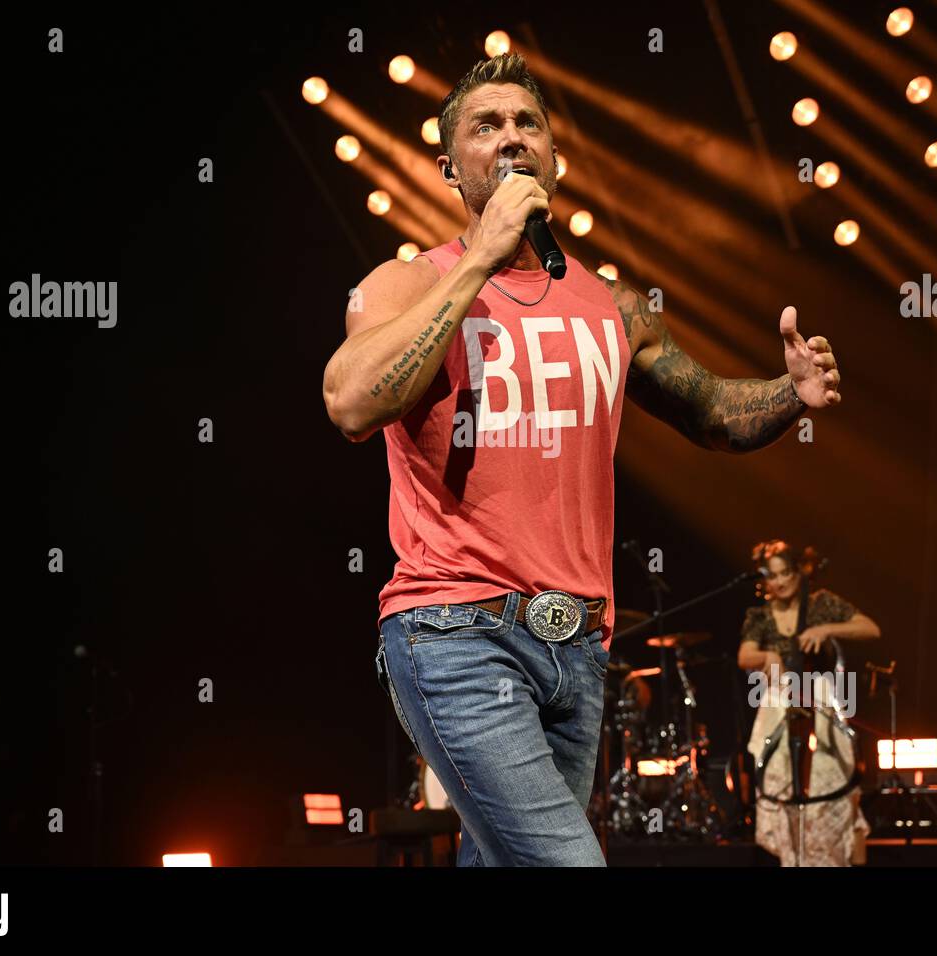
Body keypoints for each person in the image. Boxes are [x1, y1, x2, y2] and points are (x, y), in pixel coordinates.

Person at [322, 53, 843, 866]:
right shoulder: (403, 283)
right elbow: (353, 401)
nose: (512, 140)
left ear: (557, 162)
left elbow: (710, 414)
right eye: (485, 127)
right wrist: (480, 261)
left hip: (578, 651)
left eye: (529, 124)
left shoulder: (613, 305)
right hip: (456, 632)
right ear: (450, 167)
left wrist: (790, 392)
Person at [737, 540, 881, 866]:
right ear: (764, 581)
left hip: (818, 700)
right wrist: (768, 654)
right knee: (781, 786)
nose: (782, 581)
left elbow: (870, 629)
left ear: (799, 571)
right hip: (778, 705)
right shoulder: (759, 615)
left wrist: (826, 628)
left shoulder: (820, 603)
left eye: (786, 572)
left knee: (835, 781)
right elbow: (745, 656)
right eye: (772, 576)